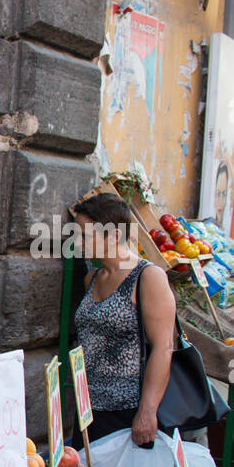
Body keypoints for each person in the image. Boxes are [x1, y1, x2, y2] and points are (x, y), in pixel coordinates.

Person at [70, 192, 176, 449]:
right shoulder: (93, 278)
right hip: (88, 409)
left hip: (128, 412)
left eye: (85, 235)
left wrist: (147, 412)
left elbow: (163, 347)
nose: (78, 242)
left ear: (114, 236)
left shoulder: (148, 277)